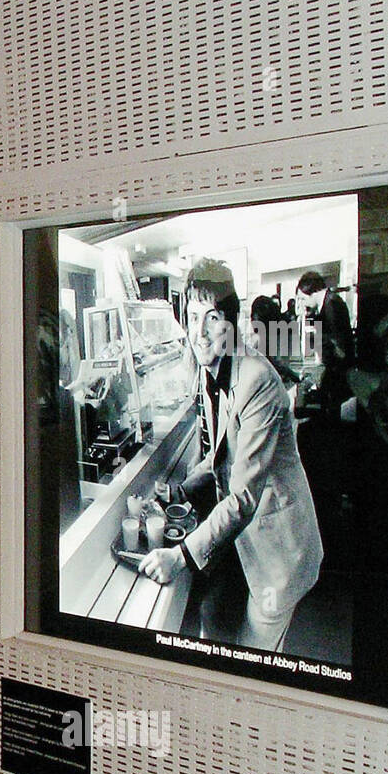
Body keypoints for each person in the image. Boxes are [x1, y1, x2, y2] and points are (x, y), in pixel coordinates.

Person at [138, 257, 324, 651]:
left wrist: (180, 556)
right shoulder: (214, 370)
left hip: (278, 553)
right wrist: (180, 492)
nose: (200, 333)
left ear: (232, 321)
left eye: (213, 317)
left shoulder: (258, 380)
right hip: (247, 541)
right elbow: (222, 453)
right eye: (192, 317)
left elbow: (242, 497)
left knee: (256, 658)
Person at [295, 270, 354, 411]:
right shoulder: (328, 303)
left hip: (338, 370)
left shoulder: (331, 304)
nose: (303, 304)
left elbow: (339, 344)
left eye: (303, 299)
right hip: (335, 368)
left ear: (313, 292)